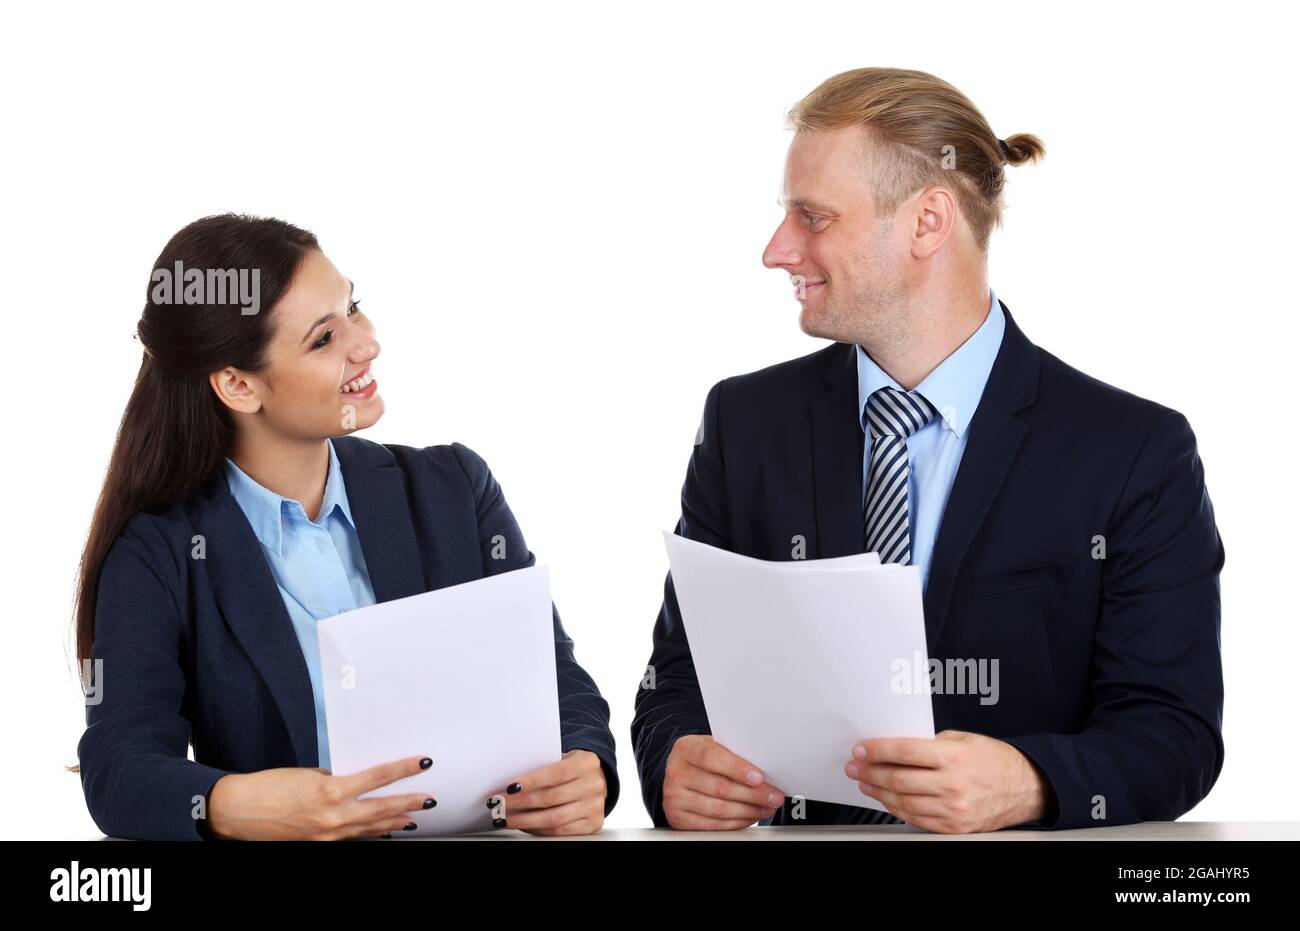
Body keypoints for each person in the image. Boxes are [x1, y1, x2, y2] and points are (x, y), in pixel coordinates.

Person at [631, 67, 1224, 832]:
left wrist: (1031, 781)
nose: (778, 250)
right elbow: (675, 679)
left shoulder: (1134, 451)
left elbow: (1175, 733)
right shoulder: (745, 425)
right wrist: (674, 758)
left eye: (812, 217)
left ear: (927, 222)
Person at [75, 213, 617, 840]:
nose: (366, 343)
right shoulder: (160, 551)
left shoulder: (454, 490)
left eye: (353, 307)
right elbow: (119, 770)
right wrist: (235, 803)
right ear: (238, 385)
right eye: (323, 339)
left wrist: (586, 764)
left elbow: (553, 676)